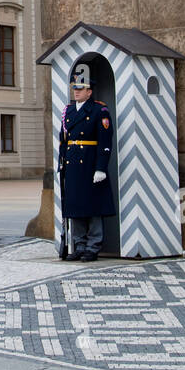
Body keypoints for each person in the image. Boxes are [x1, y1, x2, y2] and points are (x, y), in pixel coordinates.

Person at [57, 70, 116, 261]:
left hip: (90, 164)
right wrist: (62, 164)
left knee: (93, 207)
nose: (76, 92)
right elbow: (64, 140)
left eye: (80, 89)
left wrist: (101, 167)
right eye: (75, 88)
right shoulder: (69, 111)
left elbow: (105, 142)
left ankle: (93, 246)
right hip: (73, 165)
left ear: (89, 92)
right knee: (76, 207)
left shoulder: (100, 111)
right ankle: (79, 245)